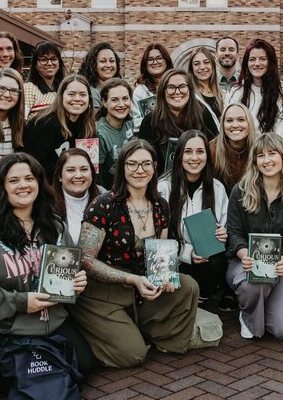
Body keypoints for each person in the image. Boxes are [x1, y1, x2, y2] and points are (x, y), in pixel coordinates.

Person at [0, 153, 95, 392]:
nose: (23, 185)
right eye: (14, 180)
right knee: (23, 379)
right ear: (1, 186)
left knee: (82, 366)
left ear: (39, 183)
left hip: (48, 320)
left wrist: (75, 283)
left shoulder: (54, 225)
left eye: (29, 178)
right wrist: (20, 302)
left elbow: (66, 272)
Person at [73, 140, 200, 368]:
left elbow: (160, 254)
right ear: (122, 167)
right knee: (133, 355)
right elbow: (86, 261)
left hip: (140, 288)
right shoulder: (103, 206)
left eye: (145, 164)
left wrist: (162, 277)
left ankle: (138, 329)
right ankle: (107, 331)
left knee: (187, 286)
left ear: (154, 167)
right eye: (132, 164)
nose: (139, 170)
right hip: (104, 292)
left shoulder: (161, 205)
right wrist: (132, 279)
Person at [225, 133, 283, 340]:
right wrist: (245, 255)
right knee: (254, 284)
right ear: (255, 161)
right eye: (260, 156)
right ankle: (247, 313)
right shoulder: (241, 190)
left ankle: (271, 300)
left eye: (272, 154)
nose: (267, 160)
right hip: (245, 262)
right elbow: (233, 232)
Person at [157, 130, 235, 311]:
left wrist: (224, 234)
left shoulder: (216, 188)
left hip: (206, 261)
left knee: (218, 261)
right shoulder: (164, 188)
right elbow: (157, 240)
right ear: (178, 156)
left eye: (200, 151)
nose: (194, 157)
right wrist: (187, 252)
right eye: (188, 151)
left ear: (207, 155)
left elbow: (226, 226)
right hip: (175, 261)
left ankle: (201, 298)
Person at [137, 69, 218, 169]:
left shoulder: (202, 113)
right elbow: (144, 157)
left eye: (182, 87)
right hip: (163, 180)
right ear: (163, 91)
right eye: (171, 87)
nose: (177, 92)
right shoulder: (150, 121)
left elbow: (214, 146)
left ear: (190, 89)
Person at [23, 75, 97, 180]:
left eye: (83, 94)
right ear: (61, 96)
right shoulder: (45, 124)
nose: (77, 99)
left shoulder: (88, 126)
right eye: (71, 94)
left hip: (75, 183)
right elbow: (33, 165)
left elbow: (91, 165)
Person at [225, 38, 283, 138]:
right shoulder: (236, 91)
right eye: (252, 59)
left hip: (272, 150)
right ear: (246, 63)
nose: (257, 63)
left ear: (270, 62)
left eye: (262, 59)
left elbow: (282, 131)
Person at [53, 148, 102, 246]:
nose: (78, 175)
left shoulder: (106, 200)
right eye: (71, 170)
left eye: (84, 169)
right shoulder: (47, 205)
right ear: (59, 176)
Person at [95, 78, 134, 189]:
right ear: (104, 102)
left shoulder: (129, 123)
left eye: (125, 99)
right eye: (115, 100)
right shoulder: (99, 133)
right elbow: (97, 175)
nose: (121, 104)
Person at [212, 102, 258, 192]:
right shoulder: (212, 150)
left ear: (249, 123)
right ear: (223, 125)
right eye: (229, 120)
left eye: (241, 120)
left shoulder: (261, 146)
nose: (235, 125)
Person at [130, 43, 173, 129]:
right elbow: (135, 121)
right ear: (145, 64)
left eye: (159, 58)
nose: (155, 62)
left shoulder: (177, 84)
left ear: (167, 61)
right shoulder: (140, 91)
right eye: (150, 59)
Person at [23, 41, 65, 117]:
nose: (49, 63)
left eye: (54, 59)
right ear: (36, 65)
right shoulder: (28, 88)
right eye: (43, 60)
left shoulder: (63, 89)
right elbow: (21, 120)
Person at [187, 46, 224, 125]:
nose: (202, 67)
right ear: (191, 68)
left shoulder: (222, 93)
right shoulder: (189, 94)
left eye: (206, 62)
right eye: (197, 64)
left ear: (213, 65)